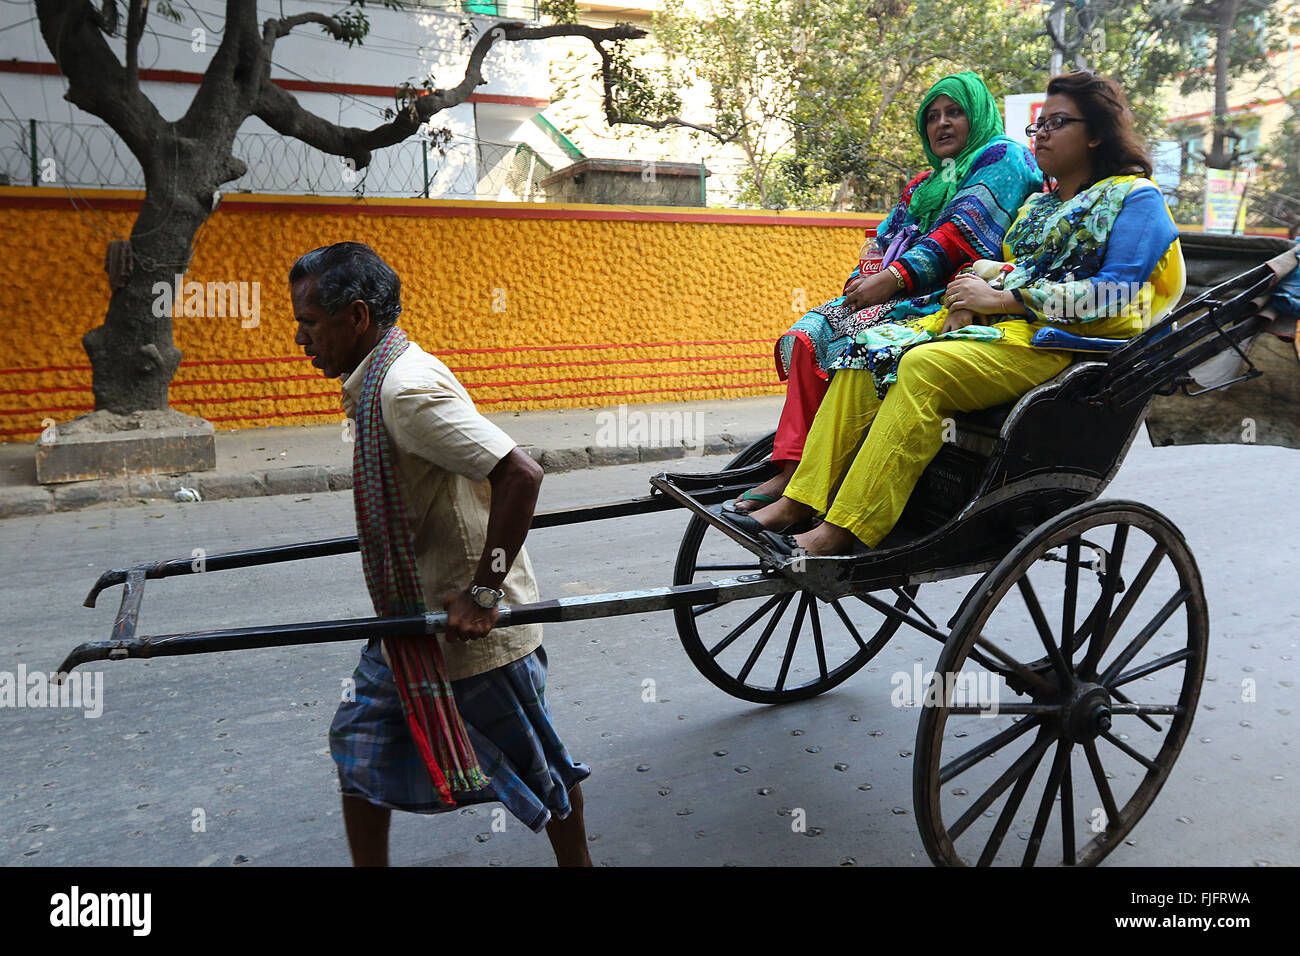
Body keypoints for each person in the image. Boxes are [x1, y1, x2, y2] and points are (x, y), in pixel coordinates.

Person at [732, 71, 1186, 556]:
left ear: (1095, 132)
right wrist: (967, 299)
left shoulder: (1135, 198)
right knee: (868, 346)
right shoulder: (1039, 205)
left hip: (1058, 344)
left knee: (922, 368)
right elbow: (1007, 266)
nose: (1042, 133)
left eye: (1058, 122)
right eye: (1039, 124)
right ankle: (802, 497)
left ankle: (848, 527)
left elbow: (1117, 295)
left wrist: (1005, 301)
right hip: (1000, 330)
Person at [290, 242, 591, 866]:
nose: (301, 340)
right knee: (358, 744)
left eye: (310, 324)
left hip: (470, 629)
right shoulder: (378, 377)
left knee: (543, 771)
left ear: (357, 317)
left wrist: (485, 594)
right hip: (410, 616)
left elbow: (521, 475)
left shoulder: (403, 391)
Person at [734, 71, 1043, 513]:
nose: (943, 124)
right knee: (809, 335)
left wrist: (889, 281)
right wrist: (865, 278)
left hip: (953, 297)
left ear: (977, 115)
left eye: (955, 112)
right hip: (897, 294)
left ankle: (819, 482)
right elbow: (882, 237)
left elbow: (958, 237)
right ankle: (792, 467)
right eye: (932, 116)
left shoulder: (1003, 157)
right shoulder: (923, 183)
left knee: (857, 345)